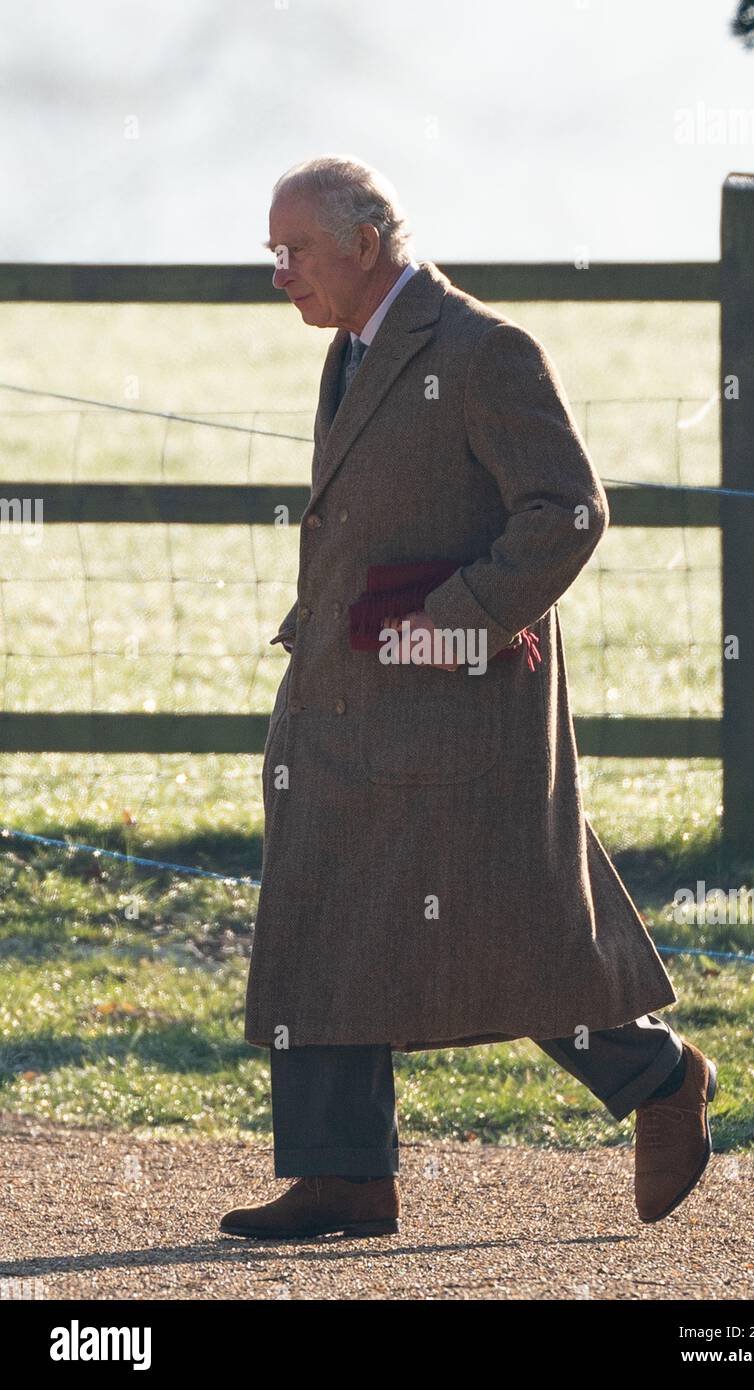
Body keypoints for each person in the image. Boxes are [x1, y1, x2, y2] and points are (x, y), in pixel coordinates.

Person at [221, 155, 718, 1241]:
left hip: (453, 710)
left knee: (510, 932)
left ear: (365, 240)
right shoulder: (354, 352)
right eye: (273, 252)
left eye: (293, 250)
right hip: (342, 699)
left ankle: (661, 1080)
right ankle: (341, 1174)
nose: (279, 274)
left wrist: (456, 617)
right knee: (318, 914)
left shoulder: (484, 351)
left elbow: (567, 513)